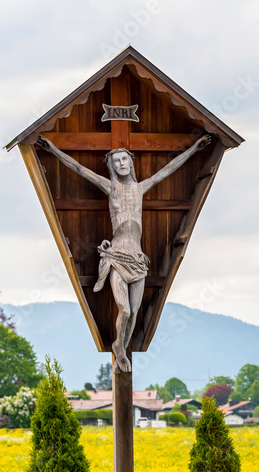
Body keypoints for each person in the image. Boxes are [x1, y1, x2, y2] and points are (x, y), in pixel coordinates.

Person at [35, 133, 211, 372]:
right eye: (116, 161)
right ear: (111, 166)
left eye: (124, 160)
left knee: (135, 311)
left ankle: (121, 349)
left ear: (131, 163)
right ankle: (119, 350)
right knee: (125, 310)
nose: (121, 164)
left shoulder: (140, 188)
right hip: (117, 256)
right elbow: (78, 168)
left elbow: (169, 169)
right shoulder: (111, 188)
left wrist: (194, 149)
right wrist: (54, 149)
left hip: (137, 258)